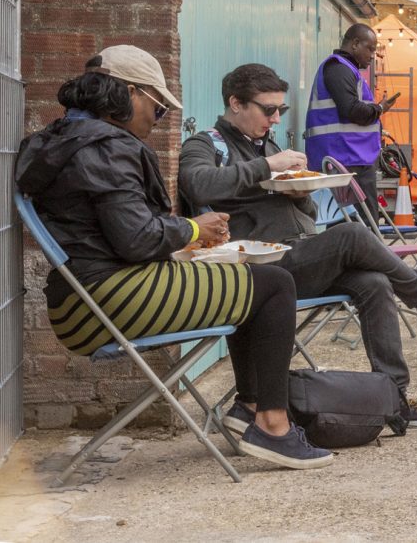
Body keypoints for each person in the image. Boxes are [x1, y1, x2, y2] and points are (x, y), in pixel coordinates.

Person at [18, 47, 332, 469]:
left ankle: (250, 407)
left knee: (241, 279)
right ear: (129, 93)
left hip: (83, 298)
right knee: (274, 284)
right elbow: (137, 239)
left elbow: (115, 233)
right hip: (103, 301)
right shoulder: (105, 148)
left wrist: (188, 242)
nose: (157, 117)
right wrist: (193, 230)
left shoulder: (67, 138)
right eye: (158, 106)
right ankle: (272, 425)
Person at [179, 63, 417, 431]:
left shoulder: (268, 145)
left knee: (374, 283)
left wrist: (301, 195)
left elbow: (302, 213)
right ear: (235, 103)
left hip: (296, 255)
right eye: (268, 110)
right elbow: (198, 185)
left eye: (280, 110)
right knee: (353, 234)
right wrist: (267, 166)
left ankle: (396, 401)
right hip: (259, 268)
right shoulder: (207, 144)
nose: (276, 119)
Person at [305, 24, 399, 211]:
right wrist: (379, 108)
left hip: (350, 158)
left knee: (356, 222)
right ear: (355, 44)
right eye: (370, 49)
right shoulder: (338, 69)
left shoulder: (346, 70)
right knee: (361, 223)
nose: (372, 56)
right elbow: (353, 111)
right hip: (345, 159)